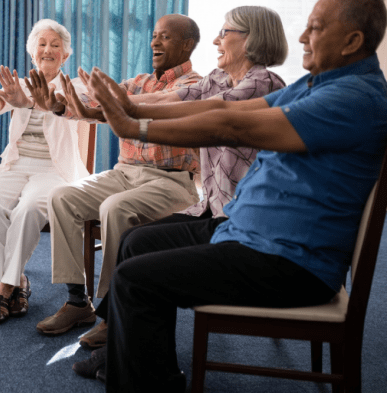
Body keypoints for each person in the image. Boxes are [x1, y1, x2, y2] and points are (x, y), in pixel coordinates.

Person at [86, 0, 387, 390]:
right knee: (137, 242)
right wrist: (130, 108)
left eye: (314, 28)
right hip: (250, 232)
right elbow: (215, 107)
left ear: (352, 41)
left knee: (133, 280)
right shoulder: (318, 84)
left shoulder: (352, 98)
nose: (301, 37)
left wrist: (134, 127)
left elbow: (231, 126)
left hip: (289, 261)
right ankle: (140, 365)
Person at [65, 5, 288, 354]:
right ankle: (118, 337)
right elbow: (169, 98)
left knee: (140, 251)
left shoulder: (264, 83)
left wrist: (130, 117)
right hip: (212, 209)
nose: (215, 40)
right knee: (135, 240)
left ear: (251, 40)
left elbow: (213, 117)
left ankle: (122, 346)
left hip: (241, 220)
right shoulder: (216, 79)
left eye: (225, 32)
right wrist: (112, 106)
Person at [34, 13, 203, 336]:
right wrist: (57, 105)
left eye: (165, 37)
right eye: (154, 35)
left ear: (187, 45)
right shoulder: (137, 81)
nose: (154, 41)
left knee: (116, 207)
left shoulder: (195, 86)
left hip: (172, 181)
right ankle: (77, 302)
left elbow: (140, 105)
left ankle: (114, 312)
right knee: (61, 197)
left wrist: (112, 105)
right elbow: (92, 102)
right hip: (124, 173)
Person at [0, 19, 90, 324]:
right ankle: (18, 279)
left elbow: (61, 104)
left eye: (55, 45)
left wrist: (30, 102)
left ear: (65, 56)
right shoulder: (17, 85)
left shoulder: (76, 87)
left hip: (55, 169)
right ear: (33, 53)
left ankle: (5, 288)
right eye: (42, 44)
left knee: (28, 208)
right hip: (17, 163)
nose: (47, 49)